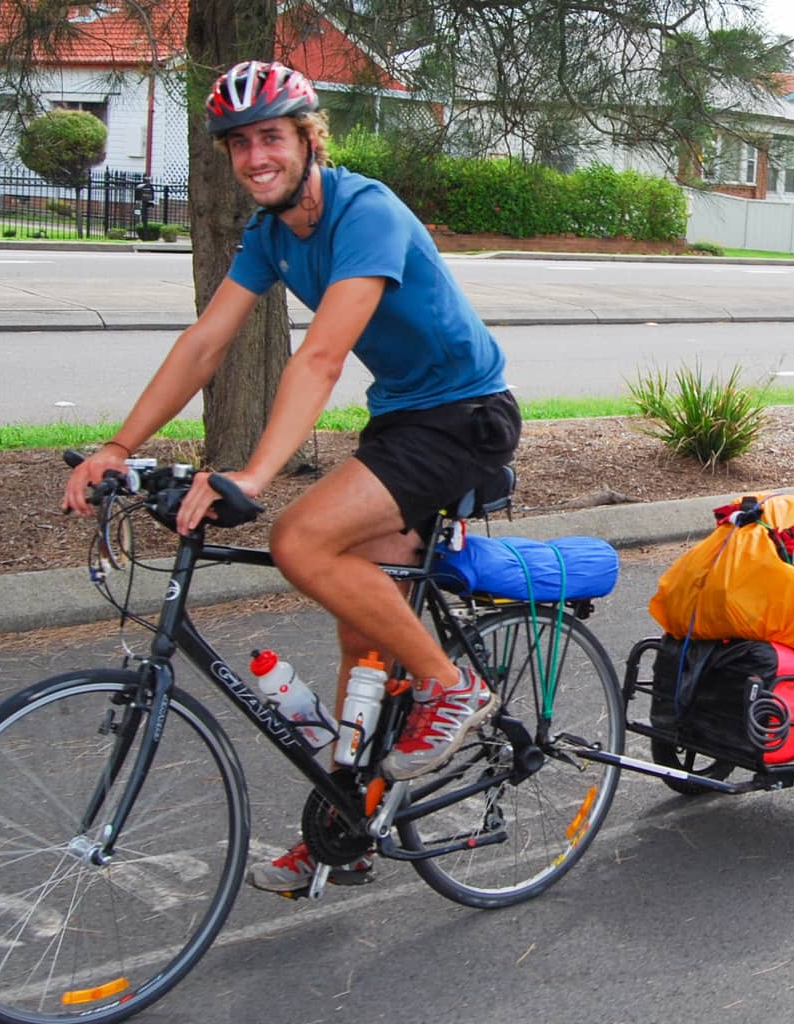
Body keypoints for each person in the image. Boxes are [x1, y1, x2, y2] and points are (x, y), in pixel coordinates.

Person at [62, 60, 520, 894]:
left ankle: (456, 688)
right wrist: (119, 446)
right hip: (403, 420)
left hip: (464, 416)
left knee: (300, 538)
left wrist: (253, 474)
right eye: (238, 144)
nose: (254, 157)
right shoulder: (271, 235)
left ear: (309, 139)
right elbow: (206, 343)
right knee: (362, 637)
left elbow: (320, 356)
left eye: (270, 137)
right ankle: (350, 825)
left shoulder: (365, 211)